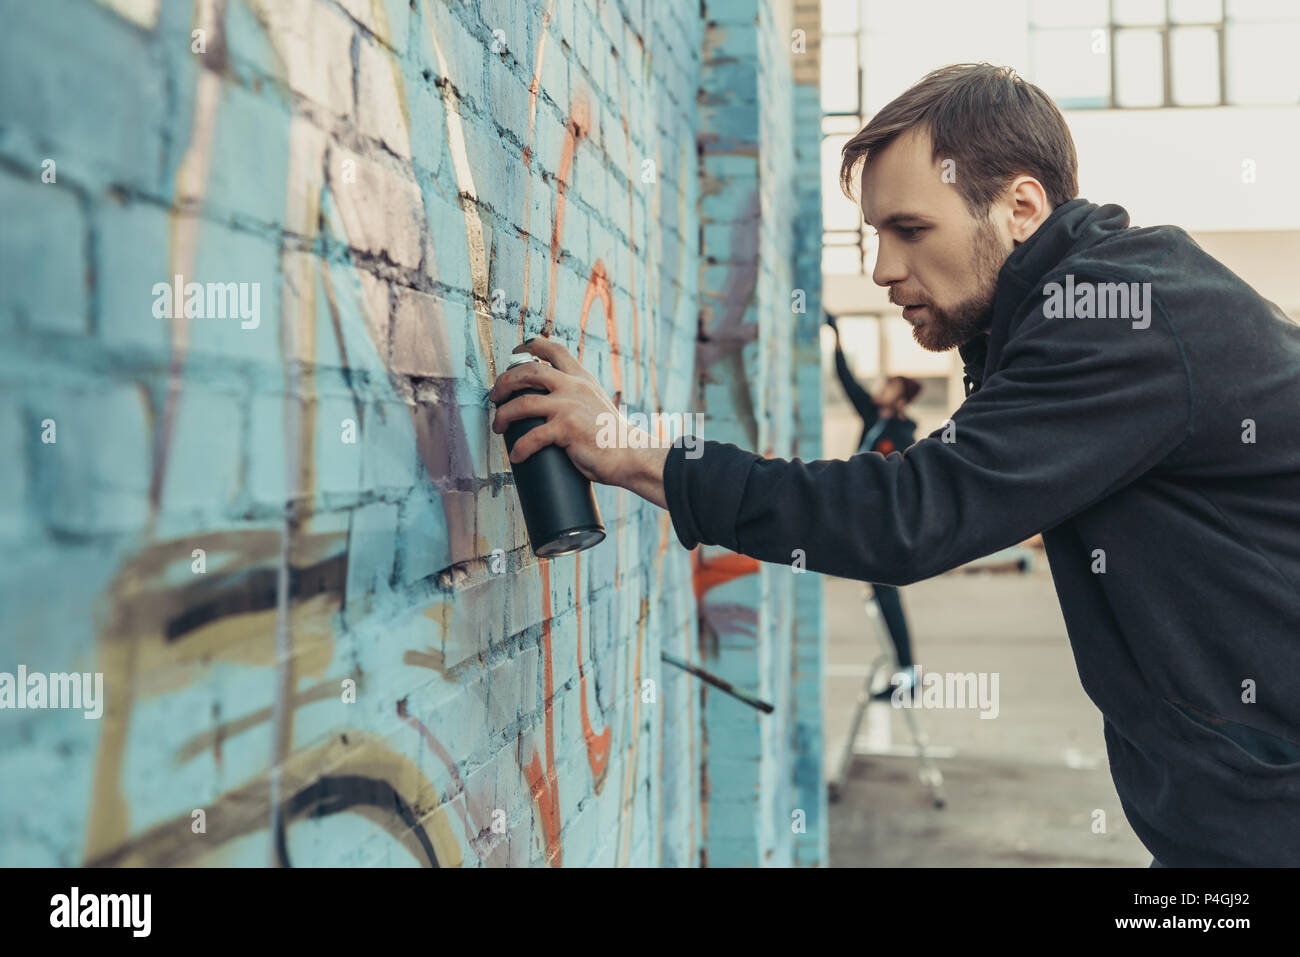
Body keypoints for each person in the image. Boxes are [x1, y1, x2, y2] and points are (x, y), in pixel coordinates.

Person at [489, 63, 1300, 866]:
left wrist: (634, 453)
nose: (882, 268)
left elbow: (907, 515)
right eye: (874, 235)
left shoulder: (1126, 315)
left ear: (1021, 207)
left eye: (910, 230)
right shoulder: (1073, 317)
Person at [826, 313, 924, 699]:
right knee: (883, 596)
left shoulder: (901, 434)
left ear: (900, 398)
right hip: (863, 521)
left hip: (881, 525)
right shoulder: (873, 417)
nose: (880, 389)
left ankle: (908, 678)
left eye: (889, 386)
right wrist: (836, 336)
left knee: (887, 596)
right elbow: (846, 380)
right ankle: (906, 675)